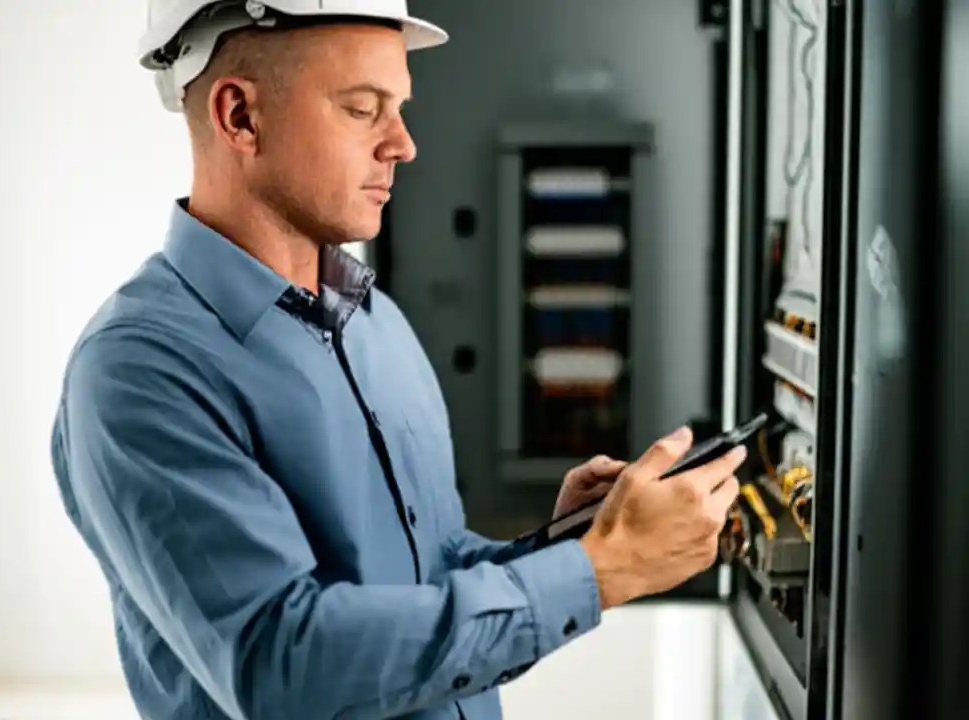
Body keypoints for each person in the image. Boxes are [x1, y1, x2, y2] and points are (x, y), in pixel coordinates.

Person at [50, 2, 746, 718]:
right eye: (362, 109)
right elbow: (281, 662)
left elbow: (424, 582)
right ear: (239, 116)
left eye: (399, 108)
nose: (404, 144)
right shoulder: (139, 371)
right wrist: (598, 574)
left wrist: (565, 549)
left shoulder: (373, 321)